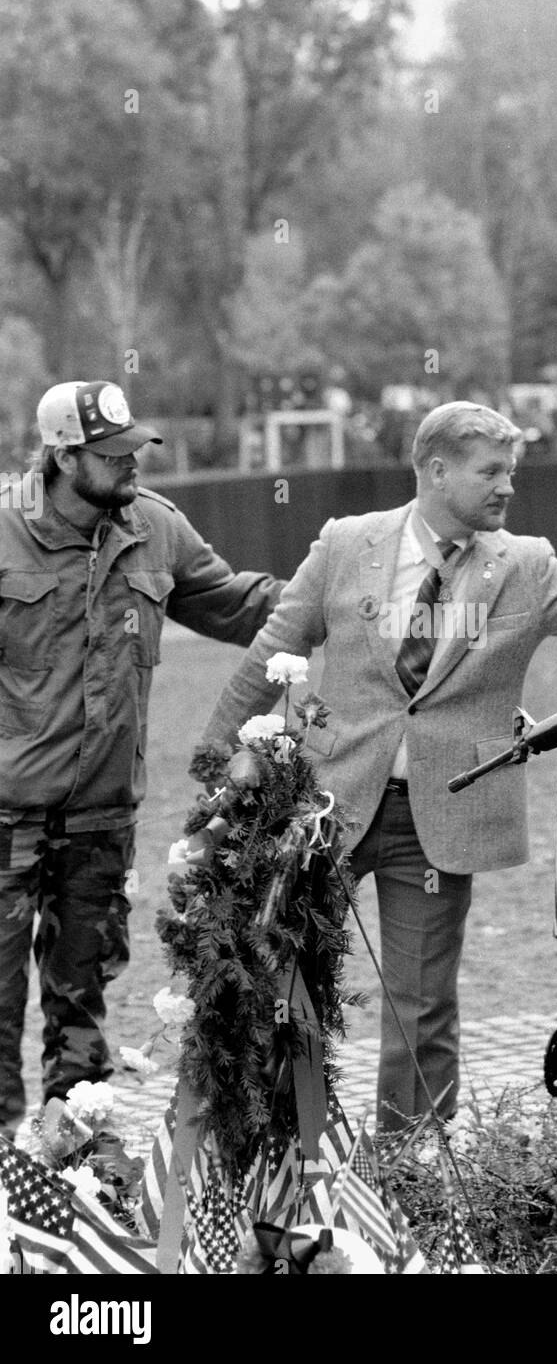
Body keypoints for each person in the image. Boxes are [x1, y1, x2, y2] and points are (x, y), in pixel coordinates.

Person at [202, 400, 557, 1131]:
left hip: (441, 817)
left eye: (512, 471)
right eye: (491, 471)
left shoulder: (524, 566)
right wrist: (215, 768)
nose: (508, 486)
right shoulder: (347, 545)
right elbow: (270, 653)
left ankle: (407, 1176)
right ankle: (294, 1149)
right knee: (290, 984)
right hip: (324, 810)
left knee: (422, 1005)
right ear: (436, 471)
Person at [0, 380, 284, 1139]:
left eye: (134, 448)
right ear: (62, 455)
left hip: (101, 815)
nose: (132, 464)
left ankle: (77, 1162)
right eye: (110, 453)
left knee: (83, 1001)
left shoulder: (154, 528)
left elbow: (234, 603)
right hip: (5, 816)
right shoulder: (2, 530)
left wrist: (327, 595)